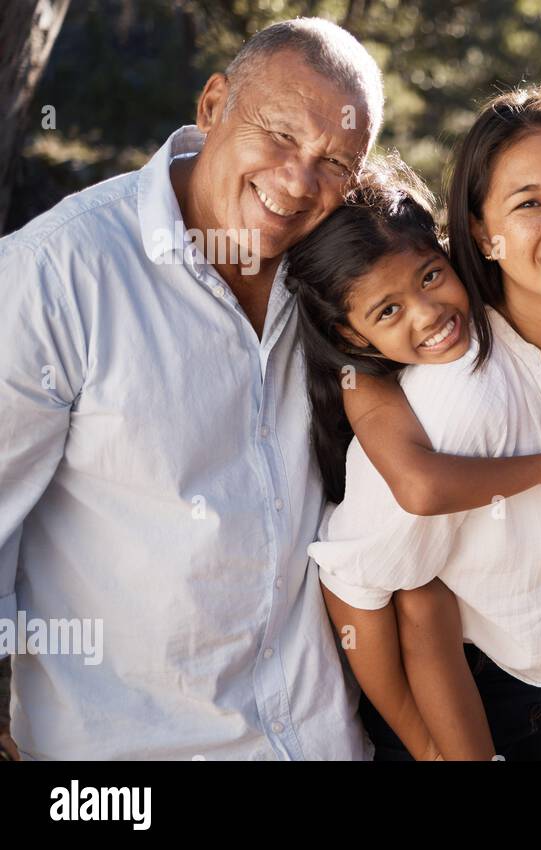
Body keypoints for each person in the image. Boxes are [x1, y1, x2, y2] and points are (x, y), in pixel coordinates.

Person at [0, 18, 380, 760]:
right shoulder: (55, 273)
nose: (299, 181)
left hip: (324, 739)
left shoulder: (344, 280)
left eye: (334, 162)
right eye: (279, 134)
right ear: (212, 107)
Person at [308, 85, 541, 760]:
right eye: (529, 203)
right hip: (463, 700)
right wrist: (427, 747)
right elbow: (359, 581)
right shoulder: (456, 392)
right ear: (481, 233)